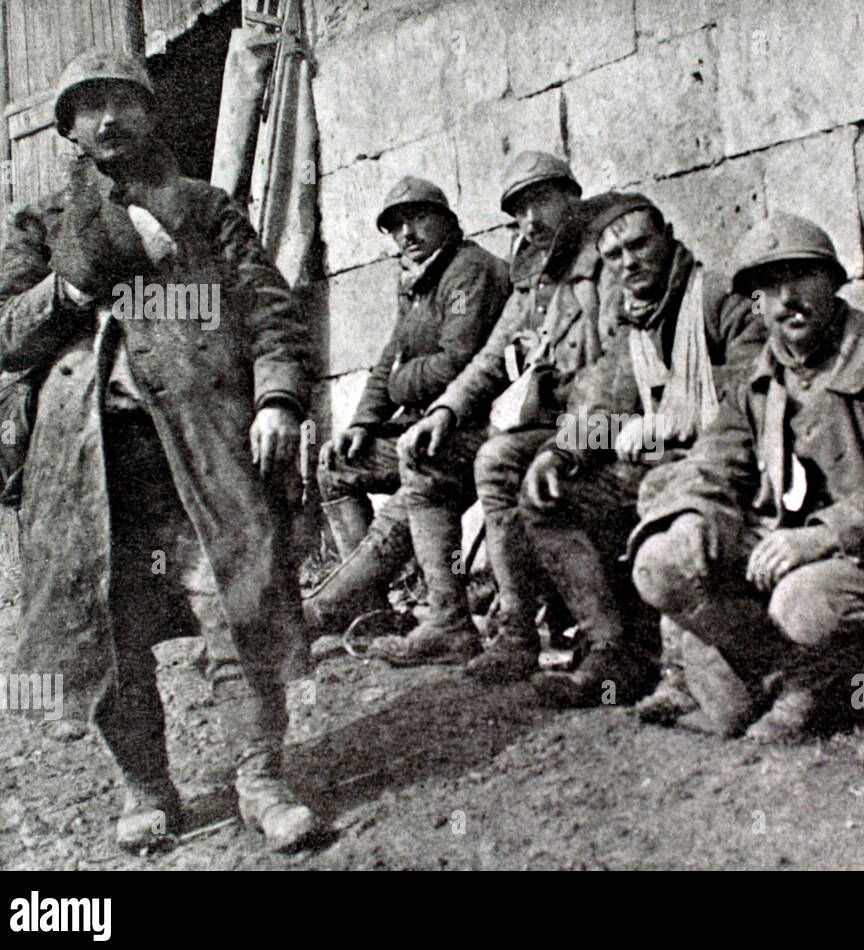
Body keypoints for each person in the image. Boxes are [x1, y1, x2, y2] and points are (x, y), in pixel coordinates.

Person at [0, 50, 318, 852]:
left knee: (235, 604)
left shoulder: (205, 210)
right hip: (89, 470)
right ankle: (145, 787)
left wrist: (276, 399)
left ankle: (261, 779)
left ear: (150, 113)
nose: (108, 120)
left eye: (122, 102)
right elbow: (0, 335)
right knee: (104, 629)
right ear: (67, 128)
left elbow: (272, 313)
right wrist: (66, 289)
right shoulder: (41, 225)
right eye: (89, 107)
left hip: (201, 448)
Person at [629, 212, 864, 750]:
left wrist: (825, 534)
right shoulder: (757, 380)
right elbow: (716, 460)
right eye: (767, 287)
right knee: (660, 562)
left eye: (801, 277)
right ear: (755, 304)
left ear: (832, 281)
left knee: (805, 601)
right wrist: (692, 512)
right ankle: (808, 678)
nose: (787, 299)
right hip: (787, 552)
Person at [520, 194, 765, 708]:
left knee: (658, 493)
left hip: (724, 470)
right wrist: (560, 455)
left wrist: (687, 409)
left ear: (669, 236)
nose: (629, 263)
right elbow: (605, 404)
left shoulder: (718, 297)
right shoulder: (633, 319)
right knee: (545, 498)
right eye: (614, 256)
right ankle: (613, 650)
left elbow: (763, 381)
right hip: (660, 466)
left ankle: (687, 673)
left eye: (639, 245)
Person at [393, 152, 609, 672]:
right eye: (519, 212)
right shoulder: (533, 272)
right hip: (543, 426)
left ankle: (518, 628)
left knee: (496, 460)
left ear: (571, 197)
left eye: (541, 202)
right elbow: (492, 355)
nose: (531, 221)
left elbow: (612, 366)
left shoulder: (604, 261)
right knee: (427, 457)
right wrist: (444, 410)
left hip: (596, 422)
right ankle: (450, 619)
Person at [303, 177, 510, 640]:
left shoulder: (469, 272)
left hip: (472, 432)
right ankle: (370, 610)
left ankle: (325, 610)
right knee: (336, 468)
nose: (406, 233)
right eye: (395, 226)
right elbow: (387, 359)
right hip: (420, 428)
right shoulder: (417, 280)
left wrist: (399, 383)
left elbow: (458, 362)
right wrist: (362, 423)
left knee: (411, 491)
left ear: (446, 219)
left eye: (417, 218)